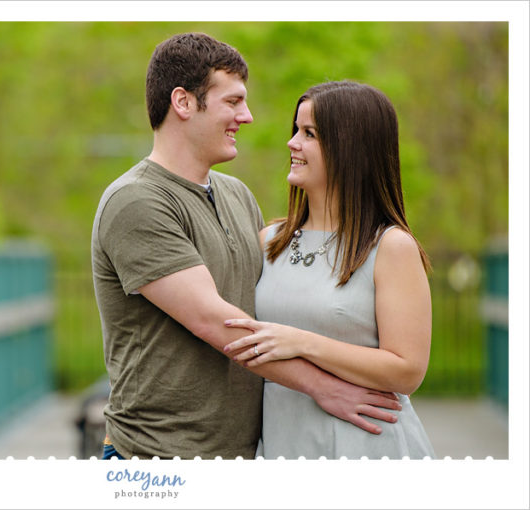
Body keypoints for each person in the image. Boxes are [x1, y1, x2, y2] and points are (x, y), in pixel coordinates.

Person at [91, 34, 402, 460]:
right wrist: (324, 388)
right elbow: (216, 323)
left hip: (244, 454)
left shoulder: (237, 195)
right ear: (183, 103)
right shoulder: (137, 200)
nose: (248, 116)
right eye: (233, 102)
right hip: (158, 457)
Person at [224, 80, 436, 459]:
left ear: (350, 148)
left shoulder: (390, 247)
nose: (292, 143)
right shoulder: (269, 241)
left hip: (366, 448)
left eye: (310, 134)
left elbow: (407, 370)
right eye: (296, 130)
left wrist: (302, 342)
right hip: (282, 448)